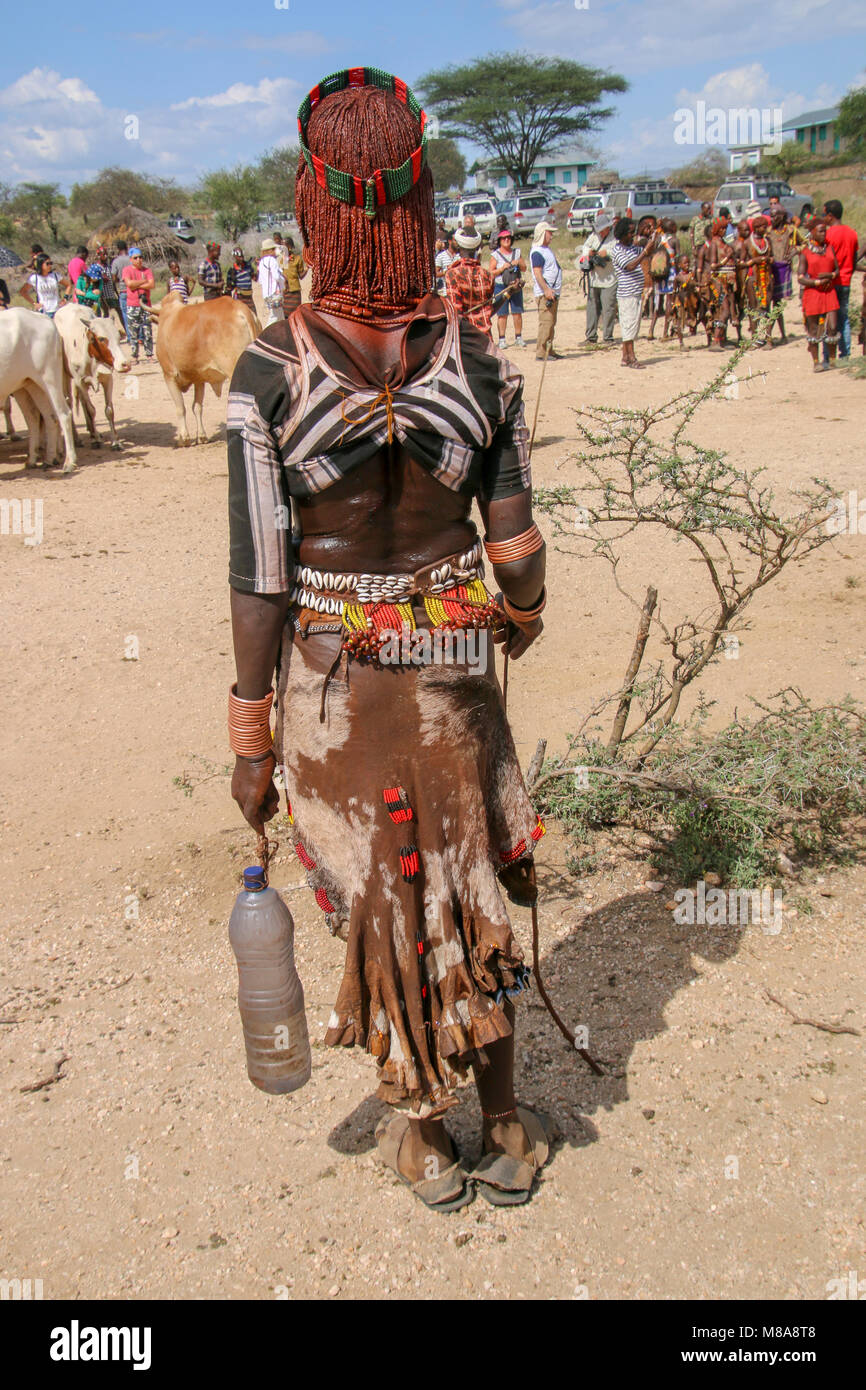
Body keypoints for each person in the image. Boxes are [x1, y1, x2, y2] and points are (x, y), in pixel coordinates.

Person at [227, 67, 550, 1210]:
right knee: (474, 880)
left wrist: (250, 731)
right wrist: (518, 617)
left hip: (330, 689)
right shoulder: (480, 361)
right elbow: (515, 553)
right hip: (452, 671)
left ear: (318, 205)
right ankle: (507, 1119)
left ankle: (421, 1133)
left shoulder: (270, 369)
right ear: (415, 203)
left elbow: (261, 576)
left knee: (386, 897)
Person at [609, 217, 656, 367]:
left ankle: (625, 357)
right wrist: (644, 252)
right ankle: (631, 358)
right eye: (629, 233)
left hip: (635, 293)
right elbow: (629, 266)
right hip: (627, 294)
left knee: (632, 326)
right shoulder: (617, 250)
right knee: (629, 326)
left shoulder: (632, 248)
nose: (632, 235)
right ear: (622, 234)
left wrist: (650, 238)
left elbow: (648, 250)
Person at [798, 218, 839, 371]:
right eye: (821, 231)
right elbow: (801, 277)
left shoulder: (829, 248)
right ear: (812, 232)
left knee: (832, 327)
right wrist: (817, 282)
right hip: (813, 294)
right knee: (814, 330)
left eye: (825, 231)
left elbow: (837, 270)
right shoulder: (805, 252)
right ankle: (816, 362)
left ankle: (833, 361)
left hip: (829, 292)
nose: (824, 234)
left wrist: (830, 276)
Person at [822, 200, 859, 362]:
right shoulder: (852, 233)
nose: (823, 218)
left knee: (829, 320)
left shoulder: (828, 235)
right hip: (846, 282)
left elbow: (825, 260)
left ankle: (827, 355)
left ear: (830, 215)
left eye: (824, 214)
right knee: (844, 318)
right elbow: (854, 259)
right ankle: (845, 354)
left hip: (831, 283)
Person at [444, 228, 494, 336]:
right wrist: (507, 294)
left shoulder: (453, 275)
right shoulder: (487, 275)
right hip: (486, 339)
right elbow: (489, 310)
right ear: (477, 247)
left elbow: (456, 314)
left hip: (466, 340)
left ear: (458, 245)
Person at [578, 208, 617, 345]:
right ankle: (591, 337)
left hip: (610, 278)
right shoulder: (594, 236)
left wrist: (607, 254)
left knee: (608, 309)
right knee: (592, 309)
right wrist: (590, 252)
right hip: (594, 279)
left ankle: (608, 337)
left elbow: (618, 251)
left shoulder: (615, 237)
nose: (601, 232)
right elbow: (584, 248)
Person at [529, 221, 562, 359]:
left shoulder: (546, 250)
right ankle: (541, 352)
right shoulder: (537, 252)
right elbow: (537, 273)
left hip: (552, 292)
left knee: (551, 323)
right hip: (545, 293)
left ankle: (549, 349)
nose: (552, 236)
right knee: (546, 322)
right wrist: (546, 290)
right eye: (549, 233)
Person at [488, 230, 526, 349]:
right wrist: (501, 269)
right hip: (501, 286)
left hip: (515, 286)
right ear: (499, 241)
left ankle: (518, 337)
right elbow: (490, 273)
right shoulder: (495, 255)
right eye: (503, 238)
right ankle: (502, 339)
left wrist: (518, 263)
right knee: (502, 314)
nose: (506, 240)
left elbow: (524, 268)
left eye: (508, 238)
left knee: (517, 312)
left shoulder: (517, 252)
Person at [648, 217, 678, 341]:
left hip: (658, 274)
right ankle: (665, 332)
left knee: (657, 303)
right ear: (672, 228)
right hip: (670, 273)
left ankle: (651, 330)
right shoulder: (674, 240)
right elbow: (678, 257)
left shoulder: (659, 239)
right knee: (668, 302)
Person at [767, 208, 795, 343]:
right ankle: (778, 336)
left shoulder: (790, 231)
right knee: (773, 304)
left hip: (782, 270)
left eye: (774, 216)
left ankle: (770, 337)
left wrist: (792, 254)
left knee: (776, 304)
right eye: (771, 216)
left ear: (782, 216)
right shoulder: (767, 232)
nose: (772, 219)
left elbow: (802, 244)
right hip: (769, 270)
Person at [122, 248, 155, 361]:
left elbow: (151, 285)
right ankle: (135, 355)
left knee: (147, 330)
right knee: (133, 332)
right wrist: (143, 281)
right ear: (131, 259)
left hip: (146, 305)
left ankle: (149, 354)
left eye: (140, 257)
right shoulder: (126, 270)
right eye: (136, 257)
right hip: (133, 304)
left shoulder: (147, 271)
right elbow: (129, 284)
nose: (139, 259)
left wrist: (137, 285)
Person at [257, 238, 285, 325]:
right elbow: (276, 276)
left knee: (280, 316)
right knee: (274, 316)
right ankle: (264, 335)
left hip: (266, 294)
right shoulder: (272, 260)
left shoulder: (261, 262)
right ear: (270, 250)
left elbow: (260, 280)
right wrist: (283, 281)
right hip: (274, 293)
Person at [281, 237, 306, 316]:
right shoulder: (280, 259)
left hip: (295, 292)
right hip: (284, 292)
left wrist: (307, 268)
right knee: (285, 316)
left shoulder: (297, 259)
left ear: (290, 246)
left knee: (296, 314)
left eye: (284, 245)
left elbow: (301, 276)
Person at [111, 240, 132, 331]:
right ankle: (139, 336)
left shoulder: (116, 262)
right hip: (133, 289)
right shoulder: (132, 259)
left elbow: (114, 278)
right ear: (127, 247)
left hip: (123, 290)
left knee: (125, 314)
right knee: (135, 313)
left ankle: (129, 336)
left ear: (118, 249)